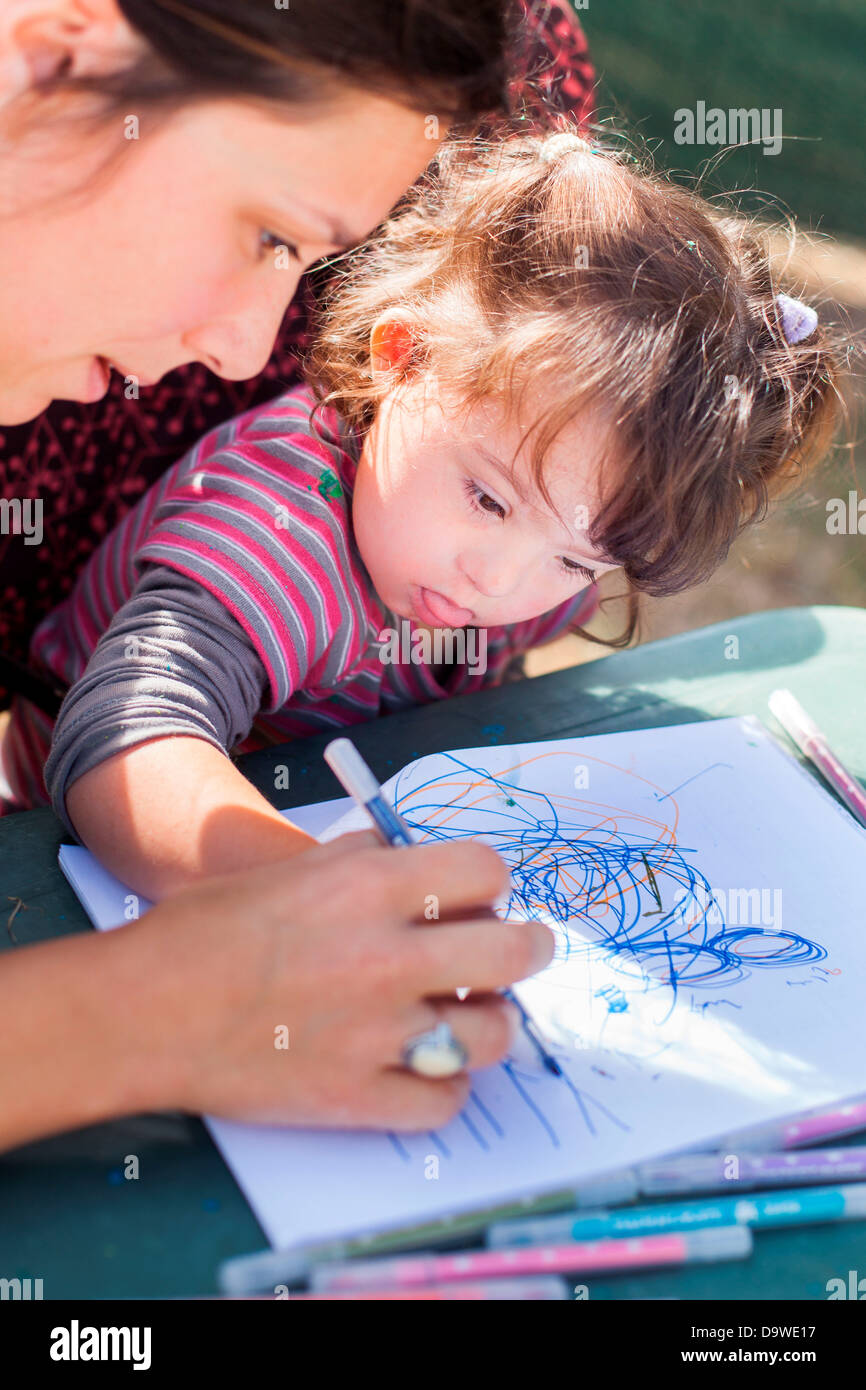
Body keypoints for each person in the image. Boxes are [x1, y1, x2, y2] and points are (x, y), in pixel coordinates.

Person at [0, 0, 596, 1151]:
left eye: (319, 263)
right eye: (269, 233)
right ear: (49, 61)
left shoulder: (485, 61)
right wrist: (155, 1013)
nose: (244, 354)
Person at [2, 130, 844, 913]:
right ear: (402, 358)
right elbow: (124, 747)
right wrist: (312, 895)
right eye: (487, 499)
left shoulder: (517, 558)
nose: (500, 581)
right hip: (75, 892)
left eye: (576, 563)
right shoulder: (278, 535)